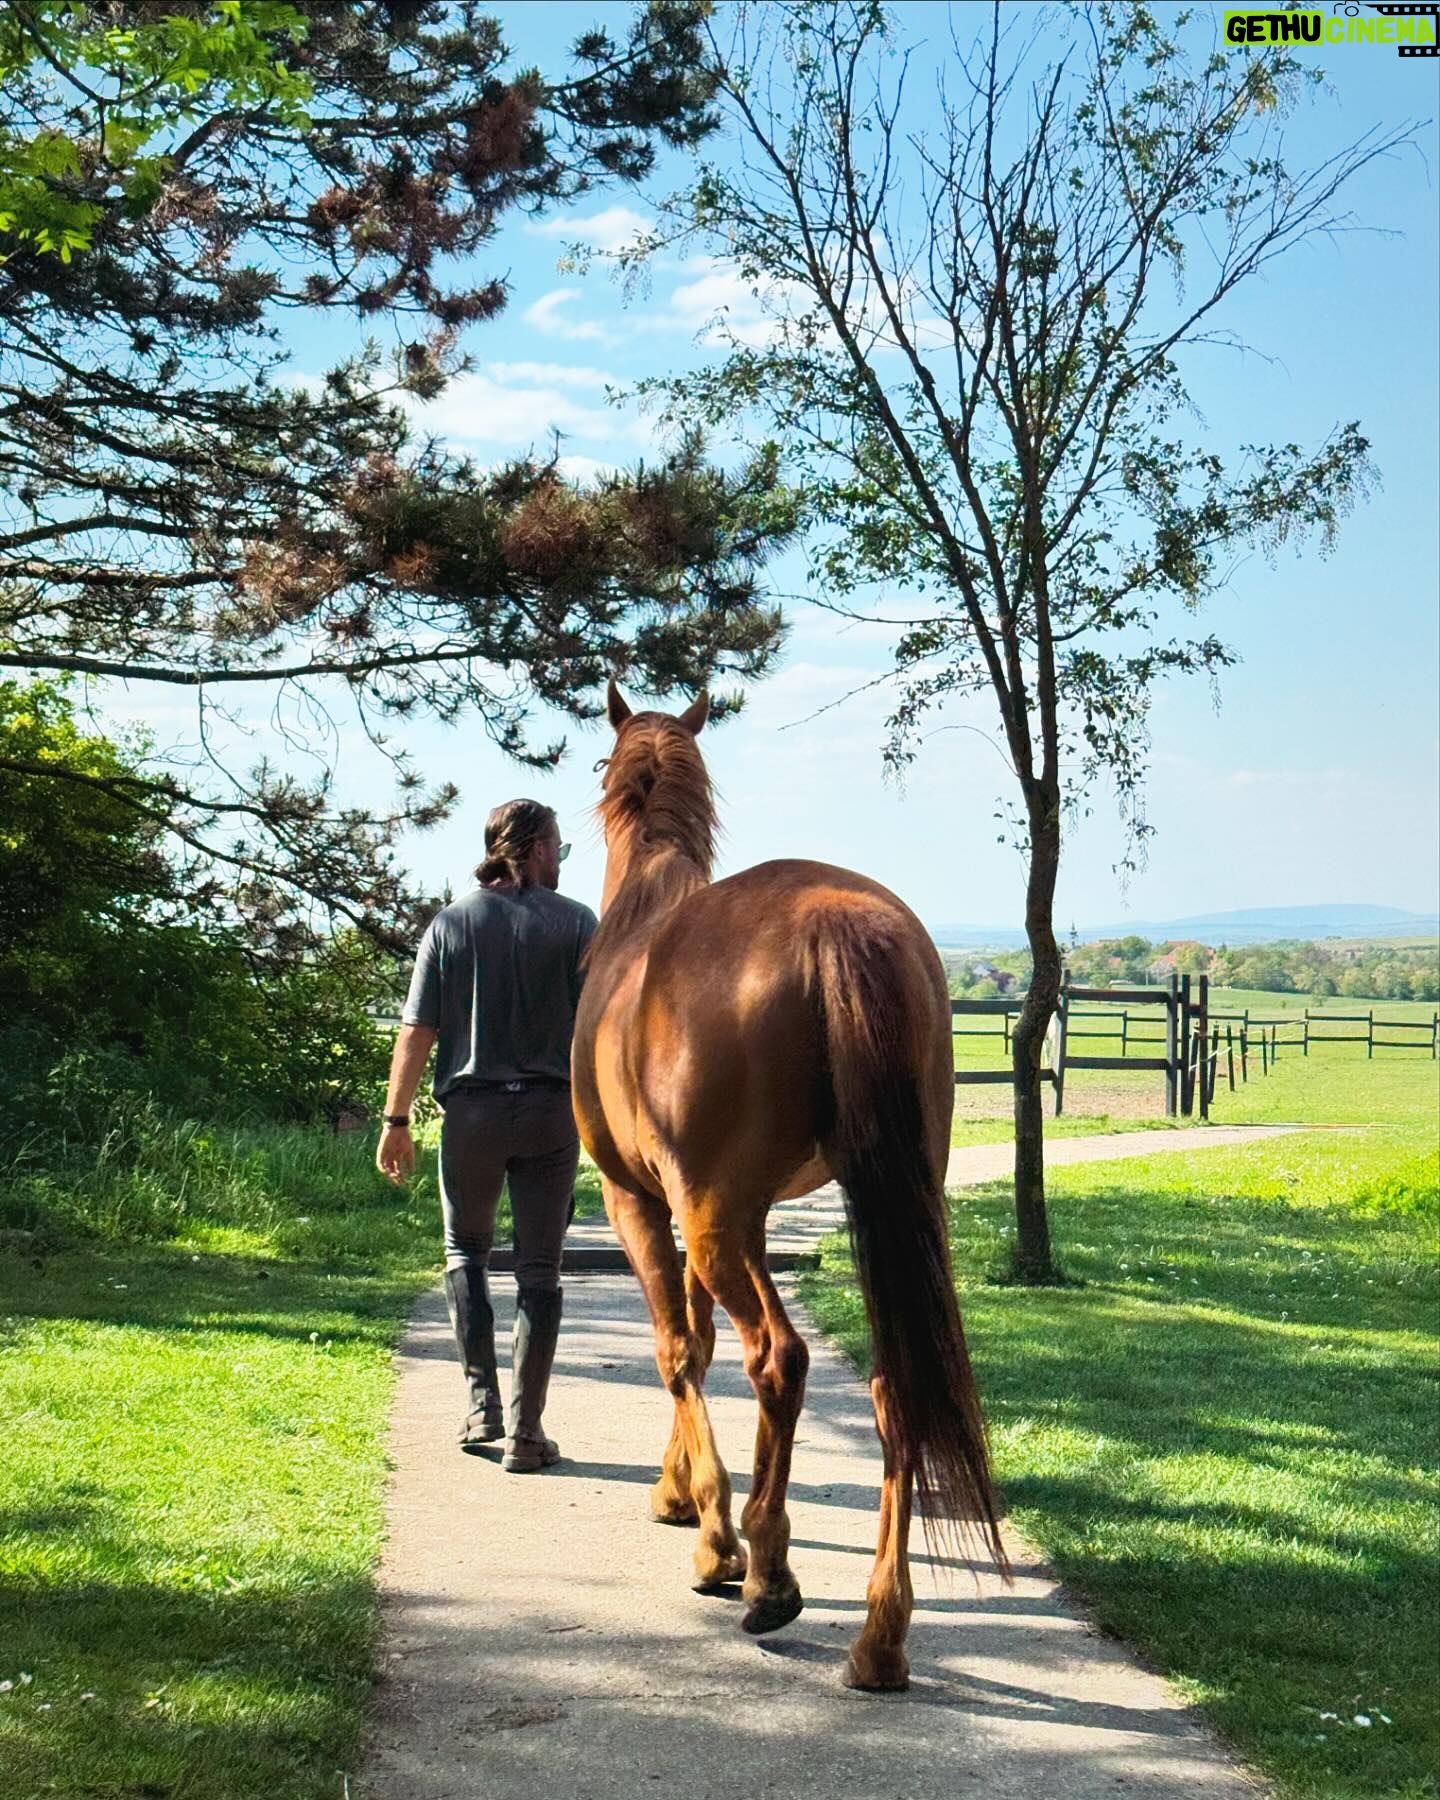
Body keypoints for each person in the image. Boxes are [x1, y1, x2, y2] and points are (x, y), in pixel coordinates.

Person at [376, 799, 597, 1473]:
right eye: (557, 845)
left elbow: (418, 1031)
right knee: (540, 1269)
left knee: (464, 1251)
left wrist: (396, 1120)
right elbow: (603, 1030)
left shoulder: (451, 924)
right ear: (530, 847)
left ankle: (483, 1413)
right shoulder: (579, 923)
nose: (561, 858)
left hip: (471, 1114)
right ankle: (528, 1435)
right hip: (552, 1113)